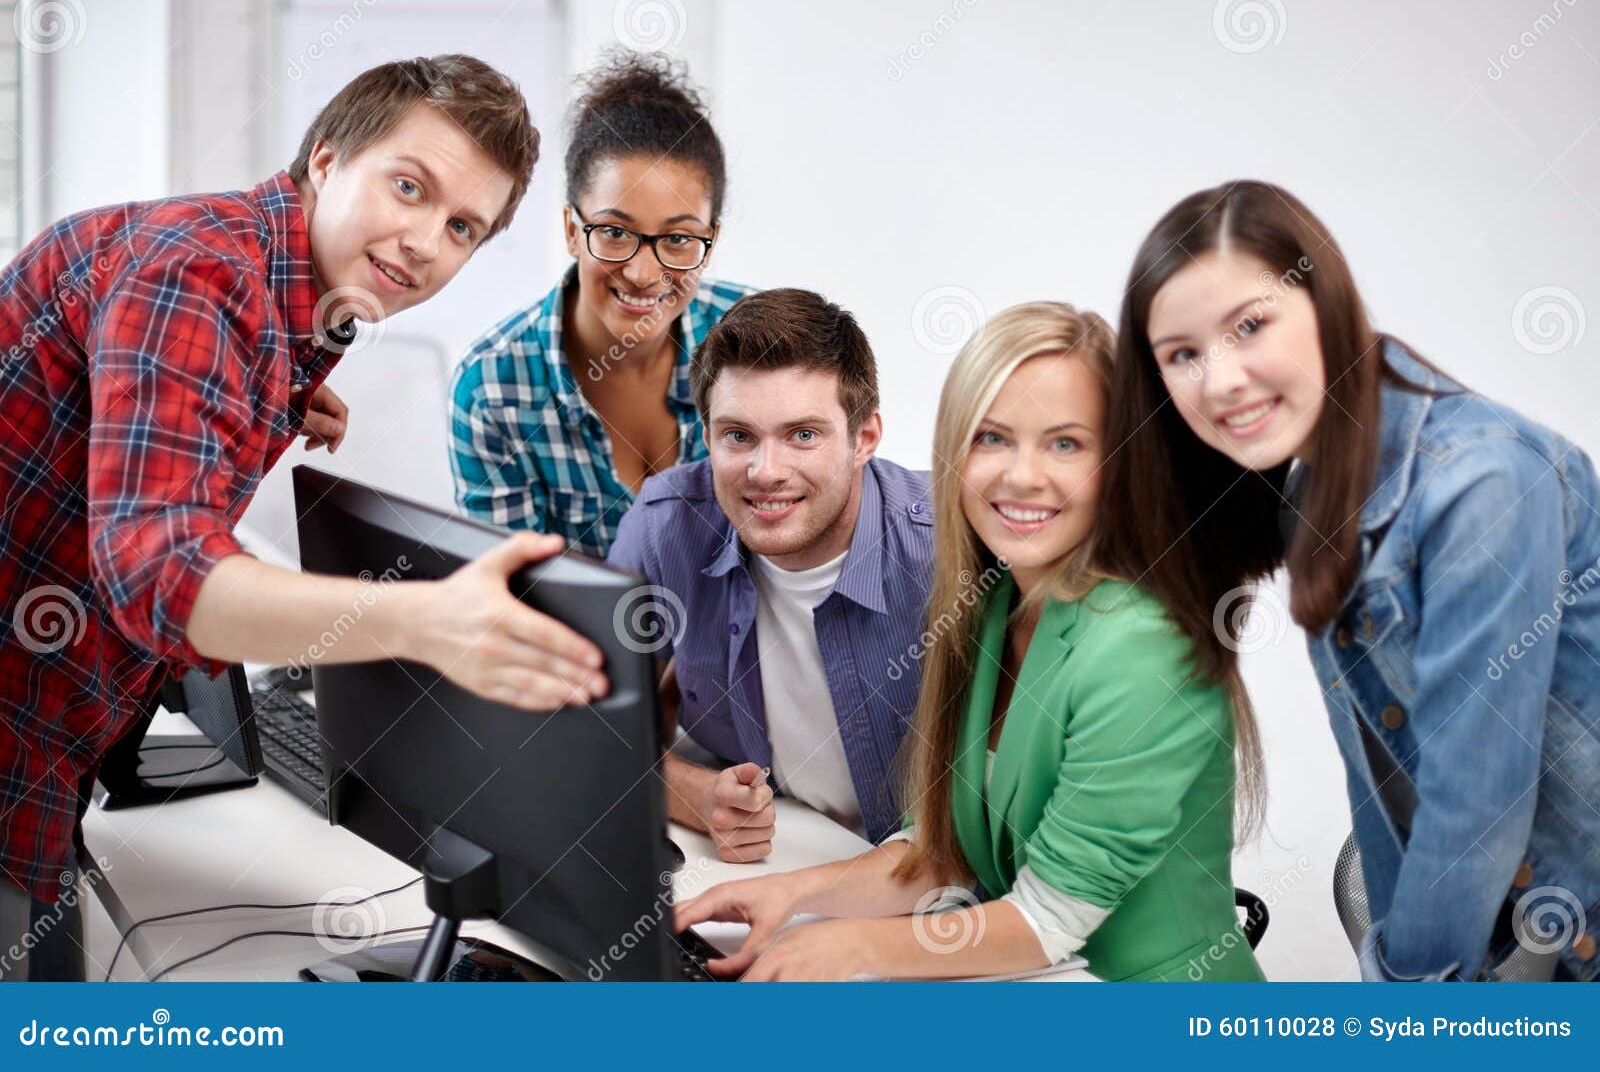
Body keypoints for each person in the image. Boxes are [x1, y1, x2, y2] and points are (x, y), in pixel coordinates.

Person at [0, 55, 609, 982]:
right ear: (326, 159)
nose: (424, 242)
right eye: (408, 186)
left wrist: (273, 400)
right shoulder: (200, 274)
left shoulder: (279, 296)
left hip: (46, 749)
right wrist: (427, 622)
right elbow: (159, 574)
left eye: (461, 227)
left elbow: (134, 446)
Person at [1100, 180, 1600, 982]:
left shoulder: (1481, 482)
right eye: (1183, 355)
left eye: (1250, 325)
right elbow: (1383, 786)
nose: (1220, 380)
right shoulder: (1311, 490)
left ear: (1324, 300)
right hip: (1507, 957)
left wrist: (1402, 1011)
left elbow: (1477, 806)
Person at [675, 303, 1264, 981]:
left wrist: (854, 946)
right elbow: (945, 846)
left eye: (1066, 443)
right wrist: (795, 893)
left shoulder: (1143, 644)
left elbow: (1048, 918)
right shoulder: (993, 604)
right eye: (992, 438)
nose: (1021, 475)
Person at [606, 289, 934, 861]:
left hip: (934, 885)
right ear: (707, 436)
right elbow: (578, 722)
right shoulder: (667, 525)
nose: (766, 472)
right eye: (738, 436)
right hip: (773, 860)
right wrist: (689, 793)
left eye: (803, 434)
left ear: (864, 439)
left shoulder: (949, 545)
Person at [451, 50, 752, 557]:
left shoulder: (757, 341)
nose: (643, 272)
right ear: (572, 229)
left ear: (712, 239)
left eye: (678, 239)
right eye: (614, 232)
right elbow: (509, 599)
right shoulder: (494, 389)